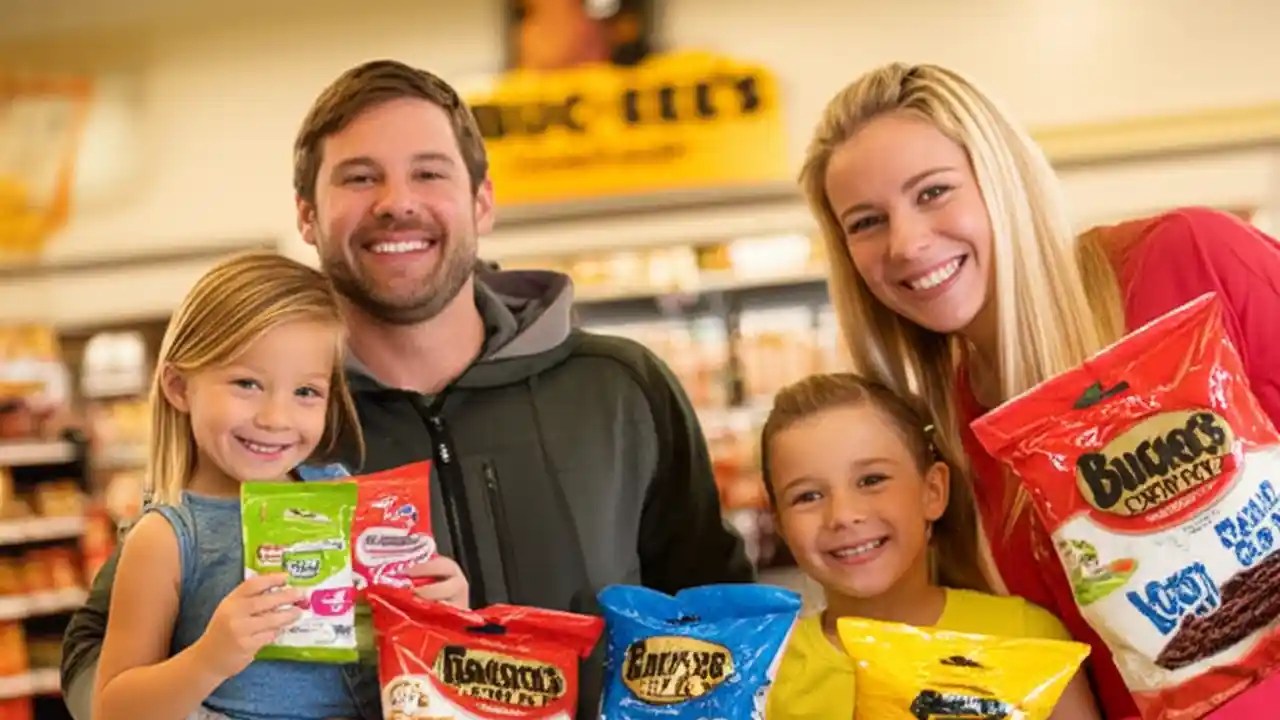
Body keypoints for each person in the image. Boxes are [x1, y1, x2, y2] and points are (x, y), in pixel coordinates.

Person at [62, 59, 754, 720]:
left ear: (481, 202)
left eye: (429, 172)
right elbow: (97, 652)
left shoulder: (620, 389)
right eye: (359, 178)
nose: (396, 203)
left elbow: (715, 608)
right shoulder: (273, 429)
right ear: (307, 214)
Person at [798, 61, 1280, 718]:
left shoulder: (1186, 260)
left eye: (933, 192)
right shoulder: (960, 435)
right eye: (866, 222)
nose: (907, 244)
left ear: (1002, 181)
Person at [94, 251, 471, 720]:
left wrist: (442, 613)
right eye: (247, 384)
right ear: (178, 386)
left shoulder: (344, 496)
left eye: (306, 392)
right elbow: (113, 709)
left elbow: (408, 662)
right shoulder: (167, 540)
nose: (276, 419)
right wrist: (210, 658)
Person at [760, 373, 1100, 719]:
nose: (843, 515)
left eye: (872, 480)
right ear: (781, 525)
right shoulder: (763, 674)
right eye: (807, 496)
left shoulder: (1029, 638)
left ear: (933, 491)